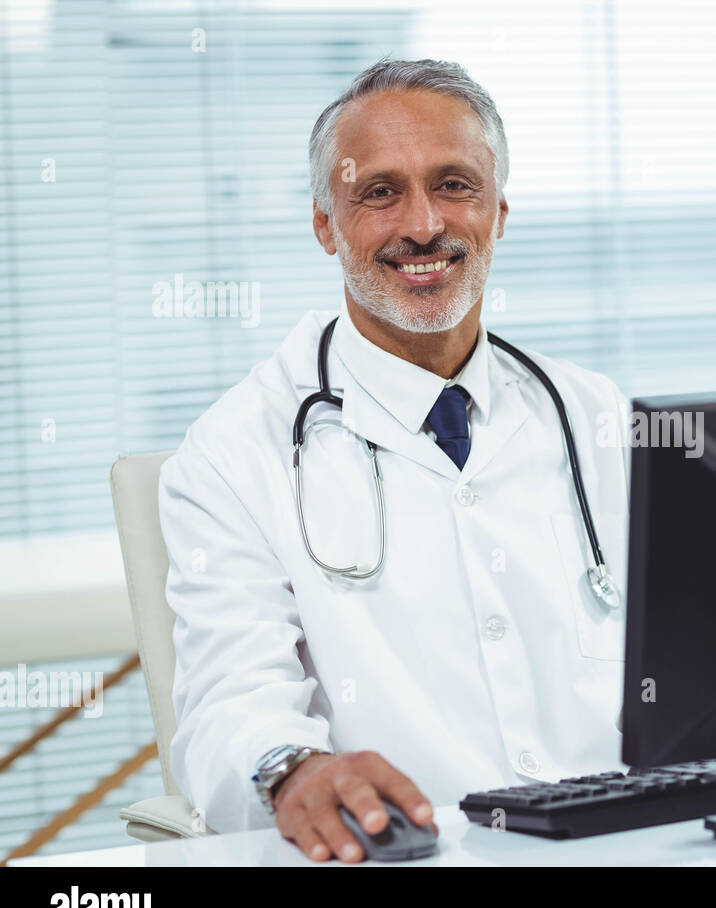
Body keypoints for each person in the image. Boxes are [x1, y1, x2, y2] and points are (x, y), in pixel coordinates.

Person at [159, 59, 630, 862]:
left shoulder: (601, 419)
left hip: (635, 842)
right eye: (379, 192)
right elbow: (230, 701)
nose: (422, 225)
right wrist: (292, 768)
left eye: (455, 184)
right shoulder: (232, 454)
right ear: (325, 226)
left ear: (500, 212)